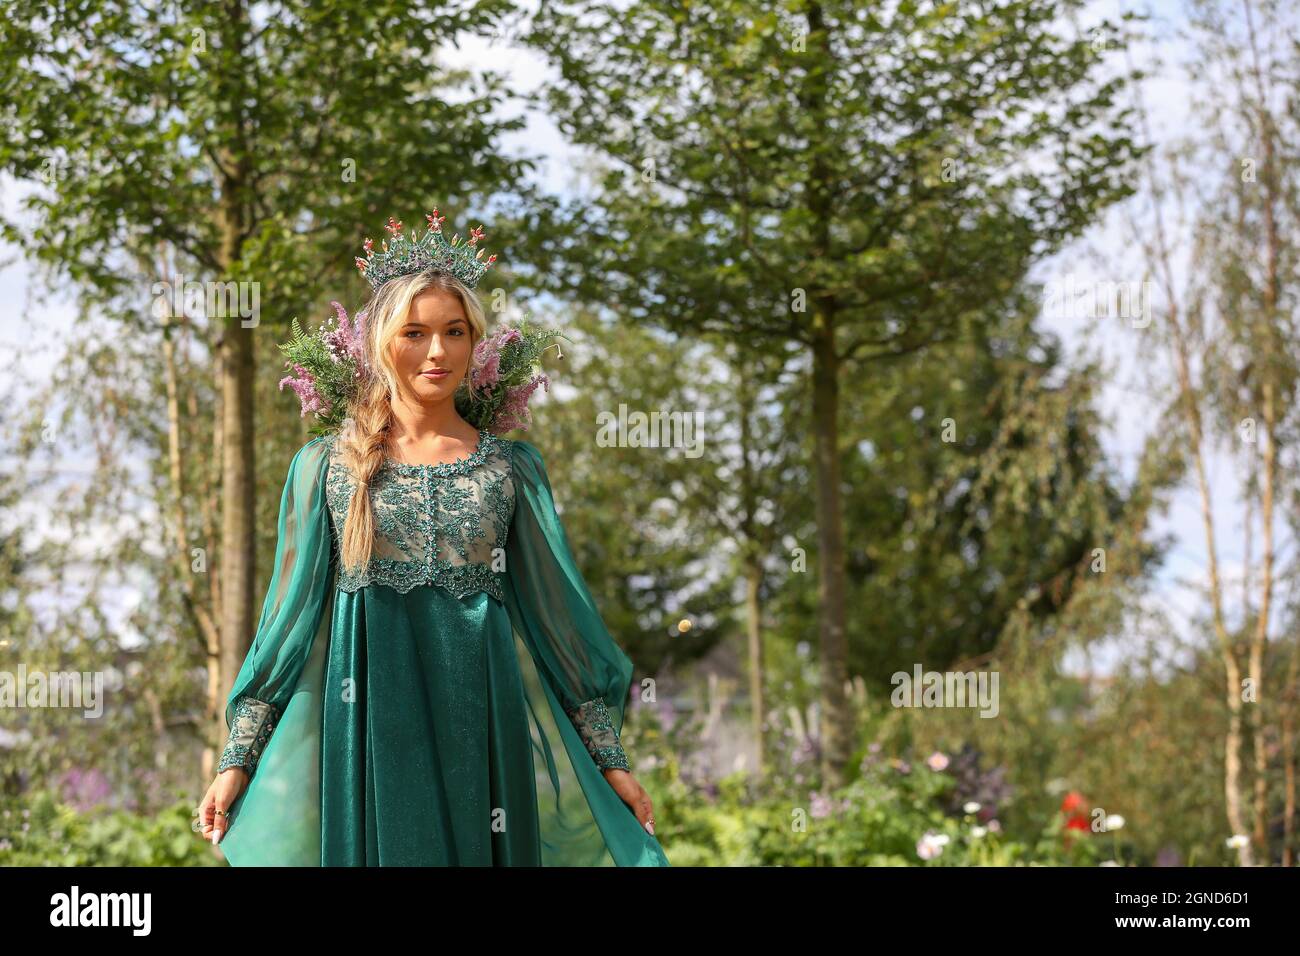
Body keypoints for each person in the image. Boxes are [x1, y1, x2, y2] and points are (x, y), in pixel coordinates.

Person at [195, 211, 668, 866]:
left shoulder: (511, 471)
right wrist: (237, 760)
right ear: (380, 343)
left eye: (454, 332)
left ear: (476, 343)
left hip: (482, 728)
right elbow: (287, 625)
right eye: (415, 333)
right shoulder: (326, 468)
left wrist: (611, 764)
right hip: (369, 729)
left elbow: (561, 630)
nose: (437, 352)